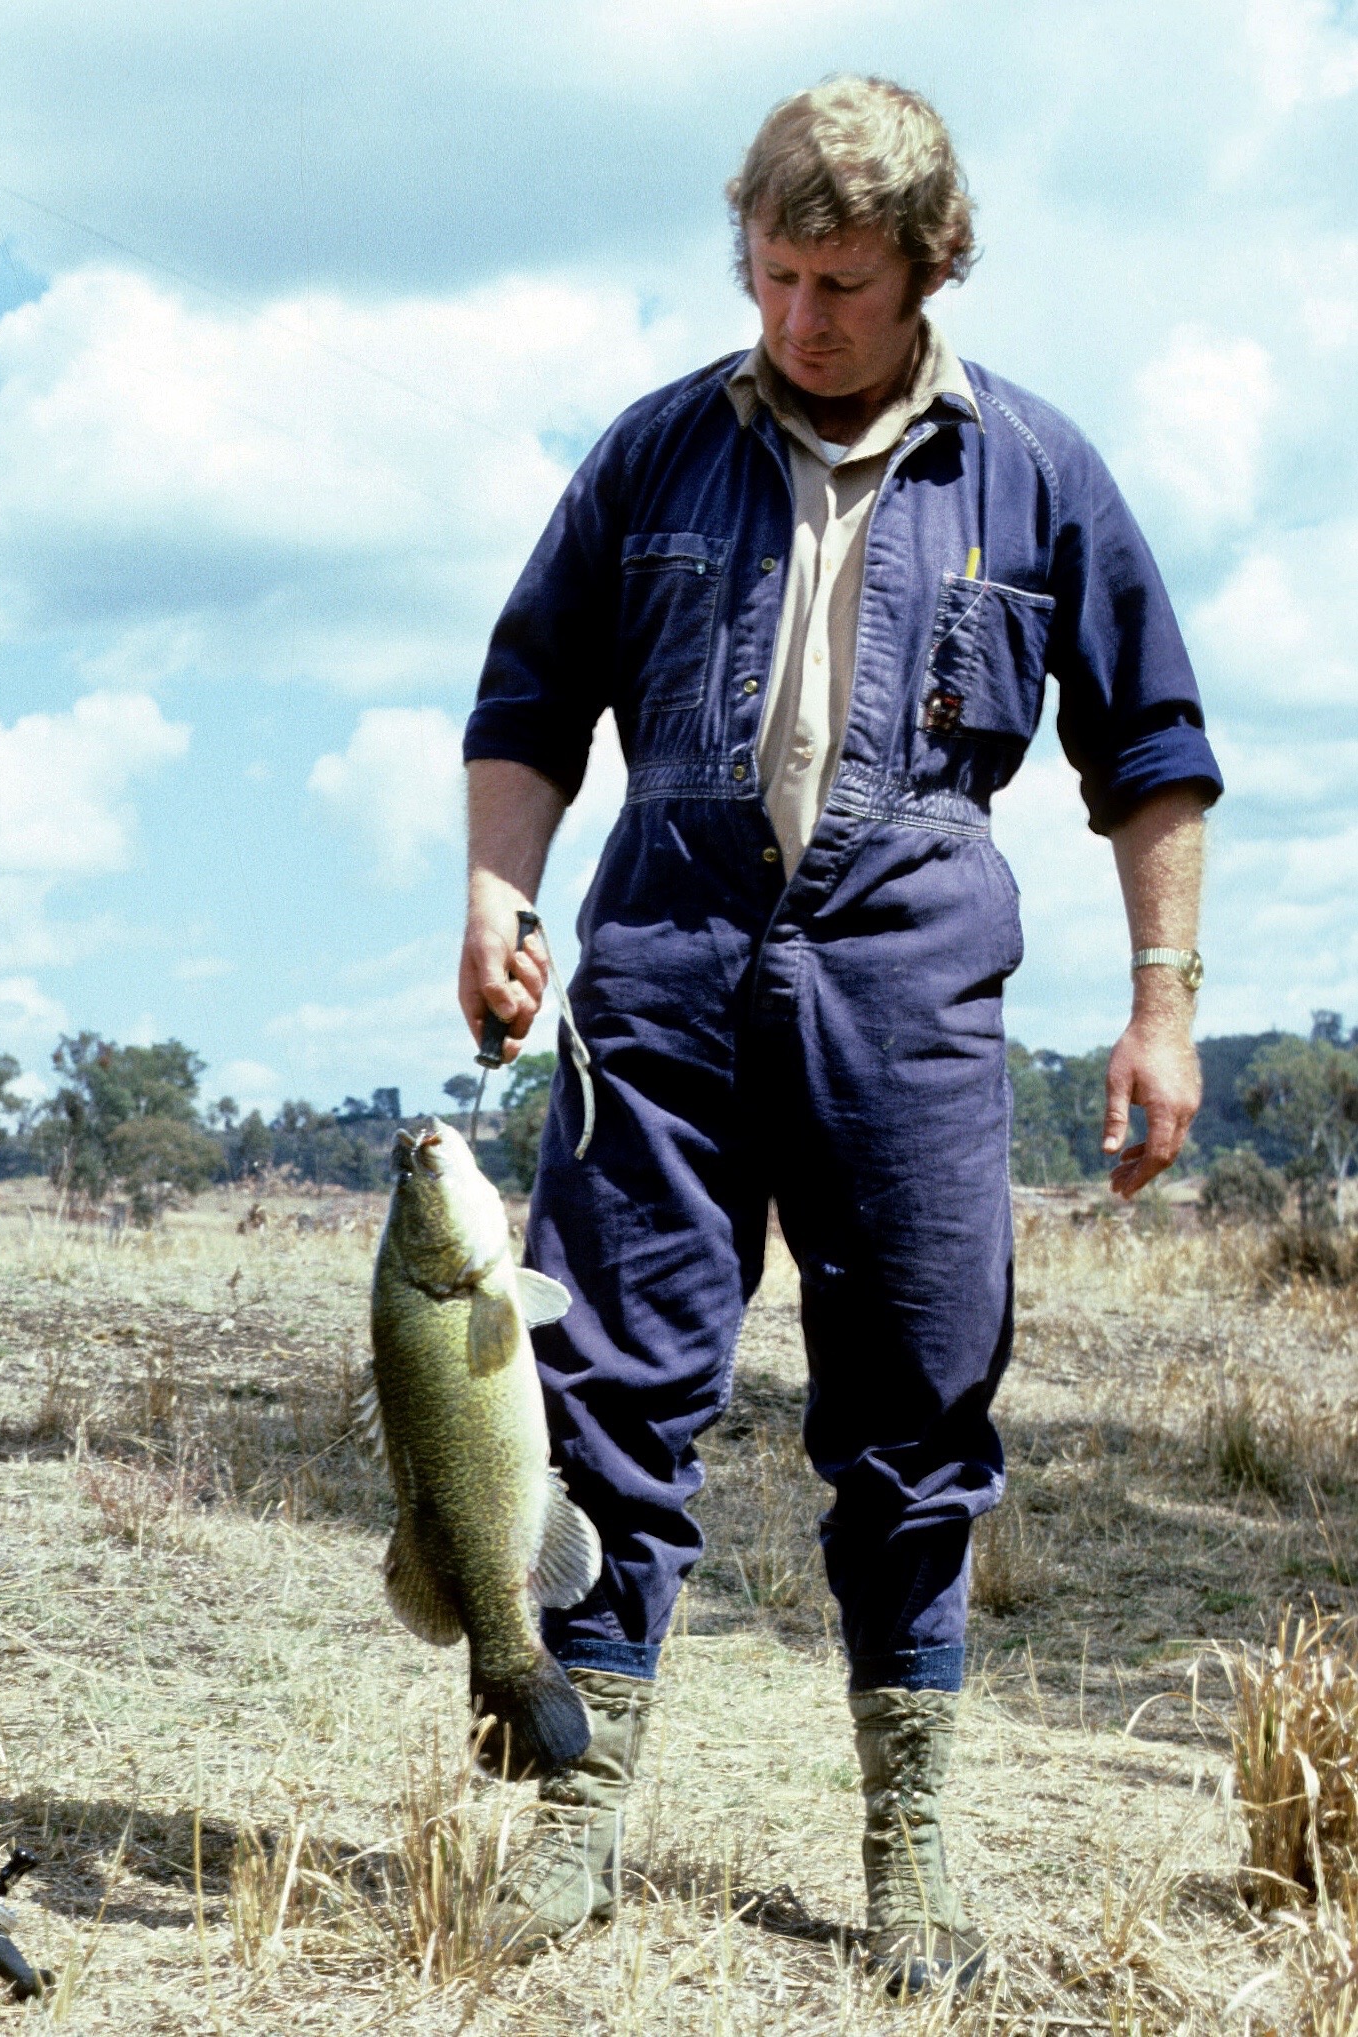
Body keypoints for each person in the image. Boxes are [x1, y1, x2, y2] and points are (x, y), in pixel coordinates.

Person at [457, 76, 1220, 1990]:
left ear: (928, 269)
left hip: (908, 978)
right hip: (666, 964)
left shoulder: (1034, 471)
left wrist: (1162, 1008)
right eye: (775, 274)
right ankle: (574, 1804)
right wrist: (496, 892)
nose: (801, 318)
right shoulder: (649, 457)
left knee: (917, 1402)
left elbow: (1150, 758)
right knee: (607, 1383)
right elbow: (528, 697)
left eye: (843, 285)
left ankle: (913, 1830)